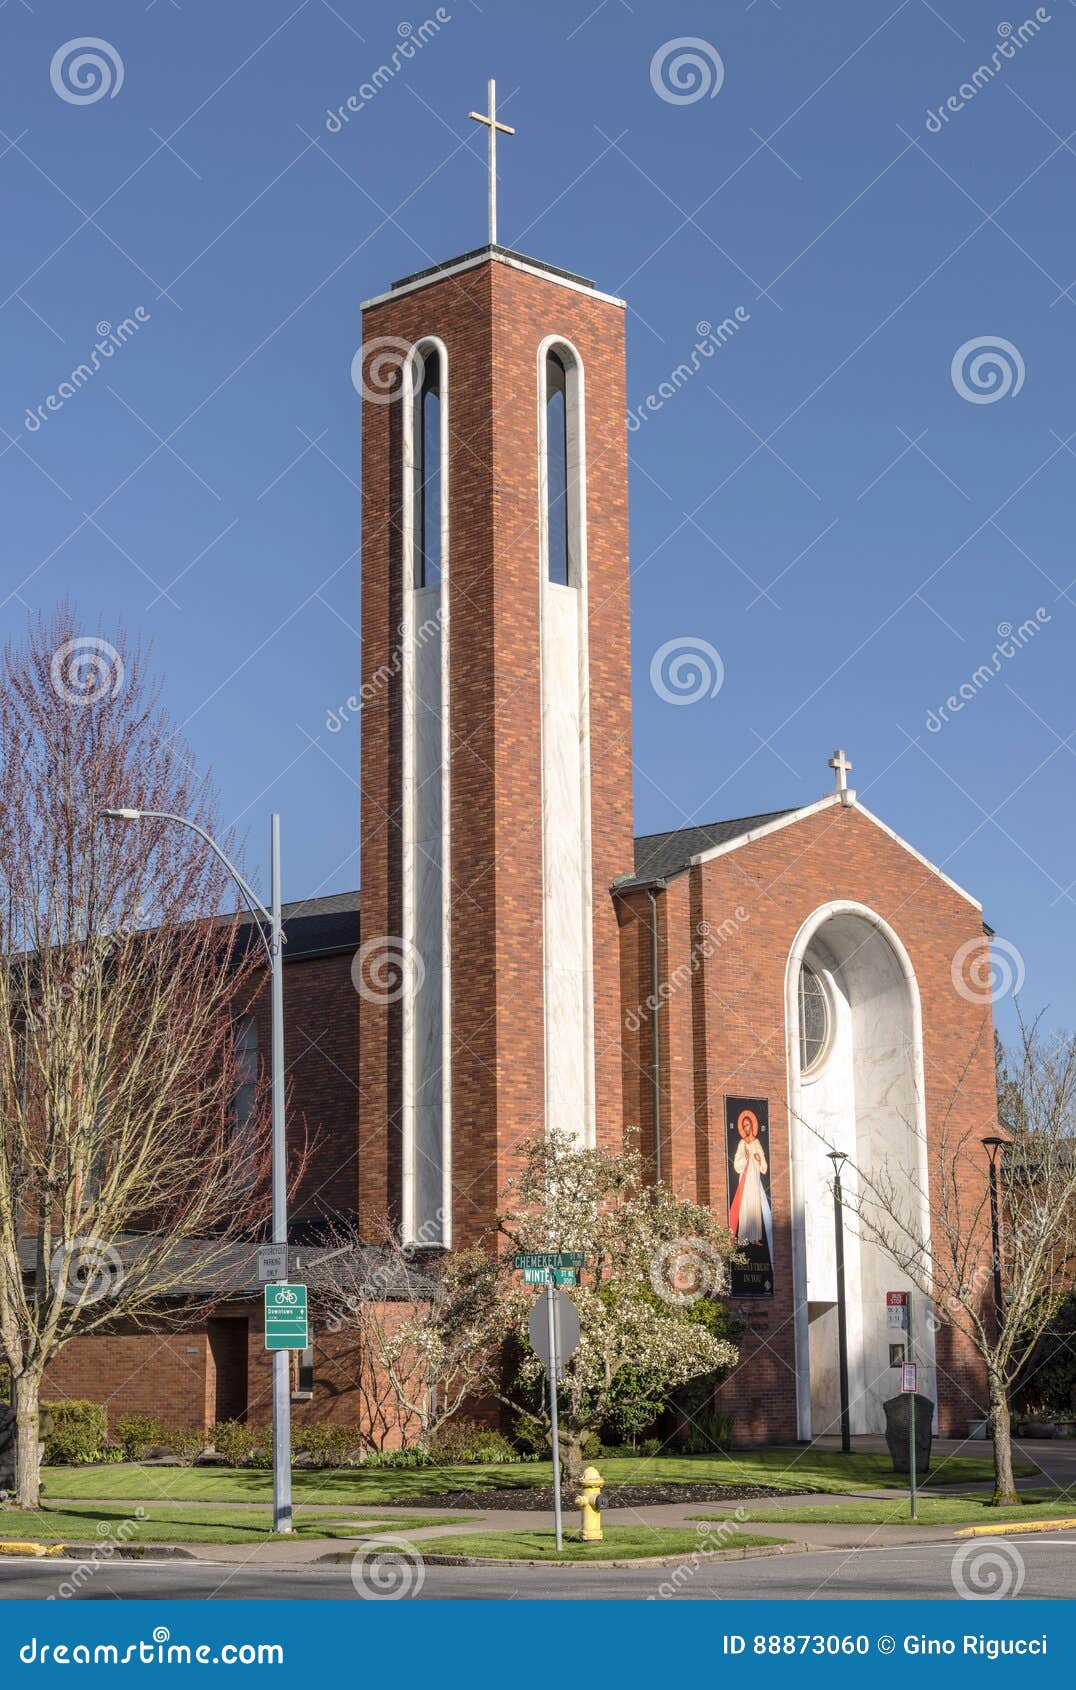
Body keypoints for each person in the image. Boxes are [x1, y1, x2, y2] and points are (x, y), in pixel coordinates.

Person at [729, 1108, 773, 1263]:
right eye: (744, 1125)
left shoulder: (757, 1142)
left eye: (749, 1125)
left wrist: (759, 1159)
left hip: (755, 1180)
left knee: (754, 1206)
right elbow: (736, 1163)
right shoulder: (742, 1143)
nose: (747, 1128)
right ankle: (743, 1237)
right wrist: (746, 1158)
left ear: (752, 1126)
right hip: (745, 1179)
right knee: (745, 1206)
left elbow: (764, 1166)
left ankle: (754, 1238)